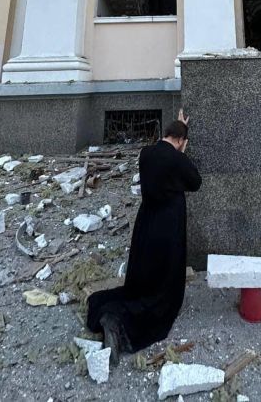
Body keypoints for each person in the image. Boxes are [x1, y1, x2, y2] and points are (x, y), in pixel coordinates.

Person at [86, 109, 201, 364]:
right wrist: (183, 153)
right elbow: (195, 182)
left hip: (147, 221)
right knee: (164, 282)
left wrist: (181, 127)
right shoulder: (177, 159)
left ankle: (118, 313)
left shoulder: (146, 154)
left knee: (145, 270)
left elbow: (165, 152)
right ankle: (120, 324)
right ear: (181, 142)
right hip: (169, 224)